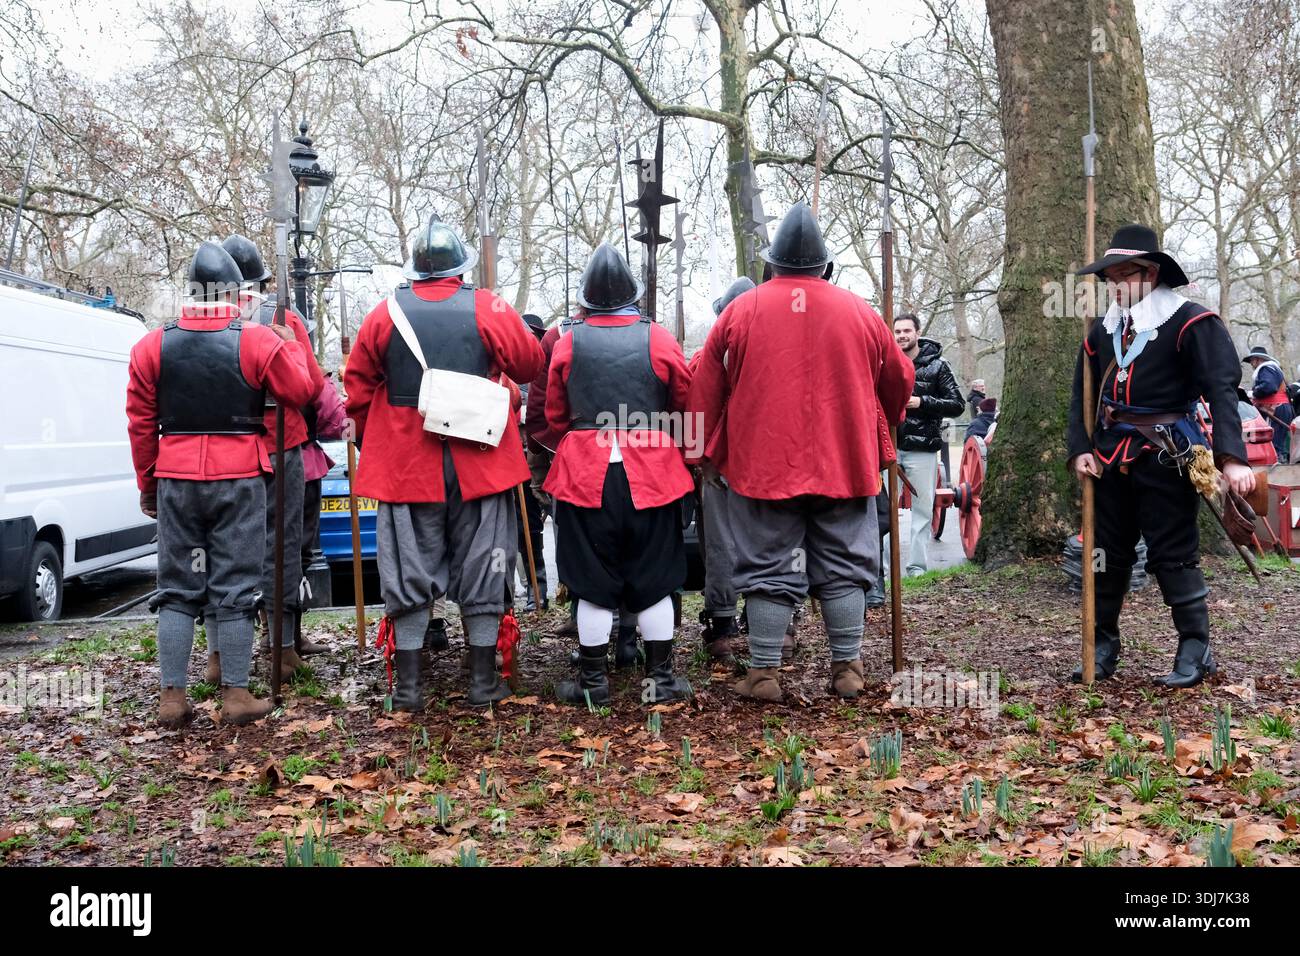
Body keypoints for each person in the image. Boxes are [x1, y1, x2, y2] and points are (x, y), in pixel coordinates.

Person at [688, 202, 914, 702]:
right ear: (825, 266)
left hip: (764, 466)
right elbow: (898, 378)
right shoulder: (861, 311)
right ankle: (847, 668)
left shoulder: (739, 311)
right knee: (845, 562)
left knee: (769, 565)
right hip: (846, 460)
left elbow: (704, 385)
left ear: (772, 264)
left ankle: (765, 673)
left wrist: (699, 450)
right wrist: (889, 418)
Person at [344, 216, 543, 710]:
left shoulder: (384, 312)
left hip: (407, 467)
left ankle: (409, 688)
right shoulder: (485, 305)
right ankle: (481, 682)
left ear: (415, 270)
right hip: (479, 461)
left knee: (407, 565)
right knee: (485, 561)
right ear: (459, 267)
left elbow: (358, 389)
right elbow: (529, 363)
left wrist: (380, 445)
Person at [126, 241, 314, 726]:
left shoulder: (151, 345)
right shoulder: (256, 340)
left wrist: (149, 482)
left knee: (177, 584)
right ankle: (235, 694)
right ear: (234, 293)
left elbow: (141, 424)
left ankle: (172, 697)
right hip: (239, 478)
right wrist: (286, 343)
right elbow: (301, 392)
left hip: (177, 477)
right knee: (235, 581)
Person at [1069, 224, 1255, 688]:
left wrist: (1232, 458)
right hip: (1110, 458)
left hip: (1169, 456)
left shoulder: (1192, 323)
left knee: (1173, 555)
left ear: (1149, 273)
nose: (1112, 286)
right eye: (1108, 277)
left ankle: (1196, 645)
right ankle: (1103, 643)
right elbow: (1081, 396)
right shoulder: (1102, 331)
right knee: (1104, 555)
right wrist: (1081, 449)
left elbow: (1222, 391)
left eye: (1121, 275)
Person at [543, 243, 695, 706]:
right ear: (632, 294)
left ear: (585, 298)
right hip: (653, 471)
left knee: (591, 580)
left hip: (585, 472)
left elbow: (554, 413)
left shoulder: (569, 339)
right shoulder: (660, 337)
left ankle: (593, 685)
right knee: (654, 577)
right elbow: (684, 399)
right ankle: (658, 683)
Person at [218, 234, 328, 675]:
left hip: (230, 445)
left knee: (228, 548)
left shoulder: (210, 318)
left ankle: (224, 654)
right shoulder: (282, 317)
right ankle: (281, 648)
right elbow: (312, 386)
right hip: (280, 443)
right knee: (283, 545)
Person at [690, 277, 754, 662]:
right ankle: (775, 624)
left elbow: (694, 408)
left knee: (721, 545)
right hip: (763, 462)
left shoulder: (704, 357)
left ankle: (724, 625)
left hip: (722, 463)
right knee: (773, 542)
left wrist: (698, 459)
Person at [892, 313, 964, 576]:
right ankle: (884, 570)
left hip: (922, 449)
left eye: (906, 331)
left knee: (922, 512)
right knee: (885, 512)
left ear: (917, 332)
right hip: (888, 447)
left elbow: (957, 404)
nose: (901, 336)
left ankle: (916, 569)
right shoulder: (886, 361)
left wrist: (922, 402)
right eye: (897, 331)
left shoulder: (938, 366)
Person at [1241, 346, 1294, 462]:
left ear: (1257, 359)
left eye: (1252, 360)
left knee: (1274, 445)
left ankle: (1277, 471)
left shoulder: (1267, 368)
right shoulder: (1272, 369)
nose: (1251, 364)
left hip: (1275, 409)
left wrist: (1252, 393)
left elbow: (1268, 387)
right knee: (1276, 444)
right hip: (1277, 408)